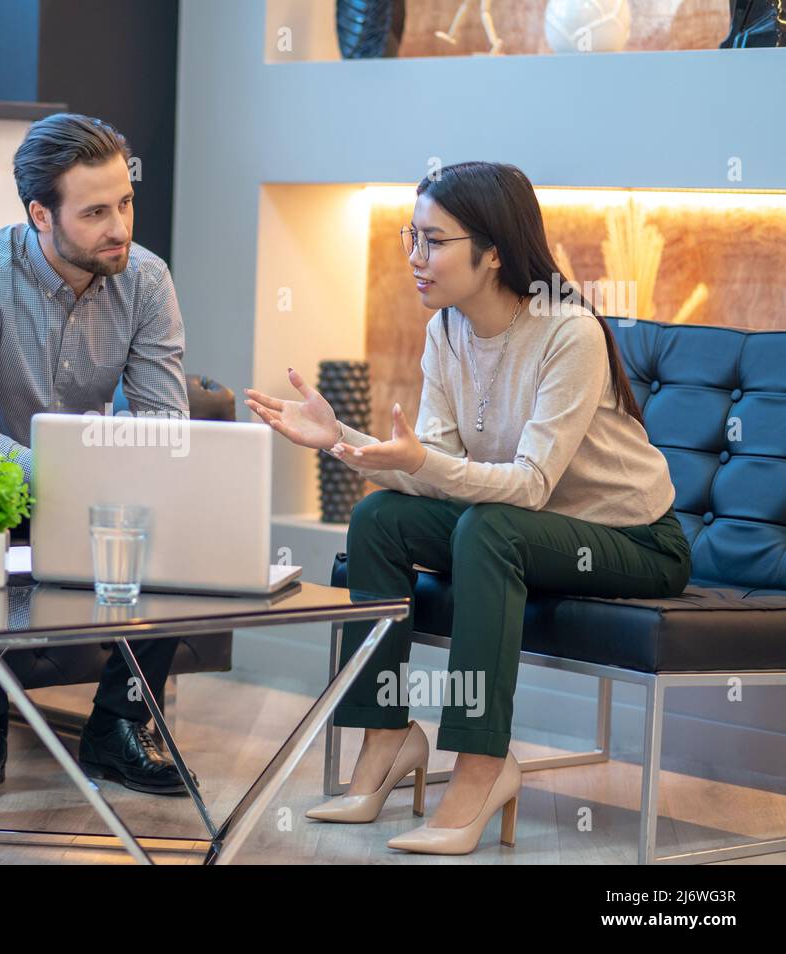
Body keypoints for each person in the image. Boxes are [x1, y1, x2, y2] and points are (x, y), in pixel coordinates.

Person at [245, 161, 691, 856]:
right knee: (379, 518)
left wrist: (421, 460)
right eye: (411, 238)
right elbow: (440, 473)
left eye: (435, 241)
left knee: (491, 527)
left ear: (493, 254)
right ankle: (387, 734)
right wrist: (345, 441)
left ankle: (483, 765)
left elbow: (530, 485)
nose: (416, 259)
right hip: (523, 531)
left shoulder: (567, 333)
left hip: (632, 541)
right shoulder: (446, 331)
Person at [0, 113, 192, 805]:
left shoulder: (146, 280)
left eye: (125, 202)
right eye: (95, 212)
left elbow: (164, 422)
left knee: (170, 510)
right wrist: (58, 469)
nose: (120, 225)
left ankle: (118, 725)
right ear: (40, 214)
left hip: (82, 475)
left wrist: (109, 467)